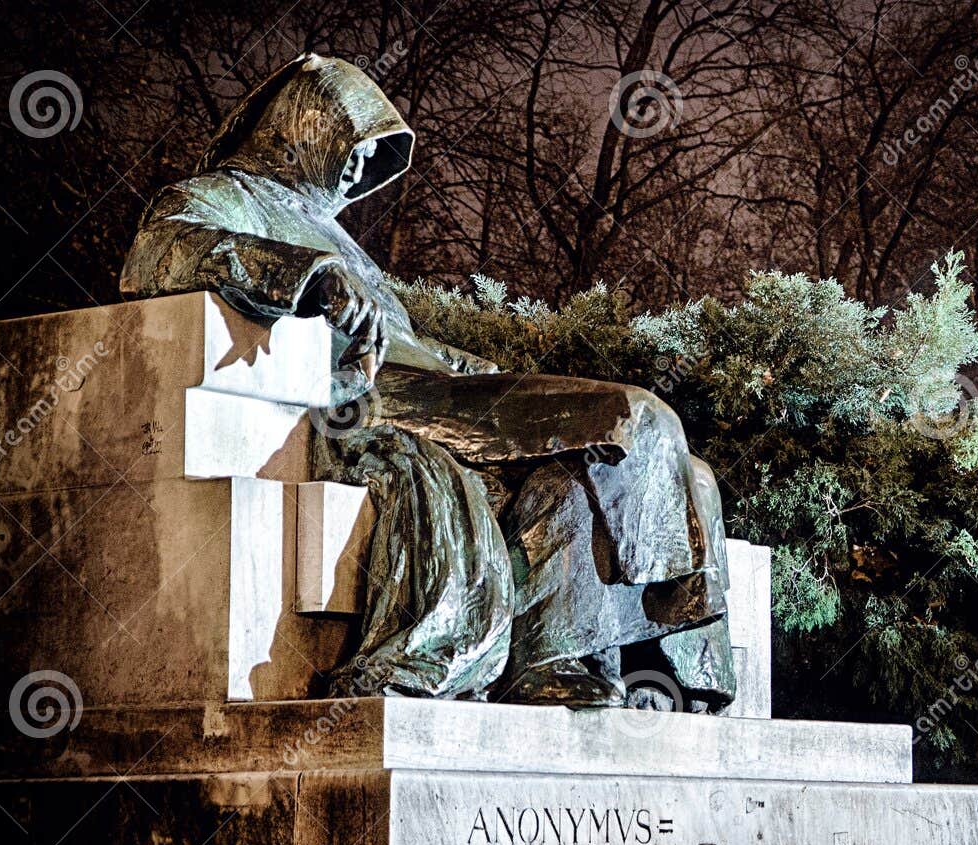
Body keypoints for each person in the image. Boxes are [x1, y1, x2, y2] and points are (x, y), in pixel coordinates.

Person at [122, 53, 733, 710]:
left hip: (446, 395)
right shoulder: (228, 196)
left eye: (367, 154)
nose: (358, 169)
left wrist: (485, 371)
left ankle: (564, 656)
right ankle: (665, 607)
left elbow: (416, 345)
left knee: (625, 468)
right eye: (346, 143)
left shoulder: (338, 236)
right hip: (380, 402)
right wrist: (308, 273)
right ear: (300, 129)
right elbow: (160, 249)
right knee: (631, 416)